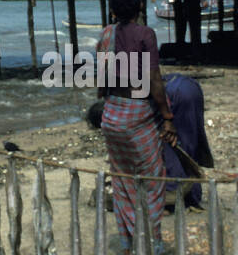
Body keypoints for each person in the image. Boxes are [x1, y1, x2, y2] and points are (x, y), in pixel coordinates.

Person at [96, 0, 176, 255]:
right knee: (151, 186)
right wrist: (167, 116)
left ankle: (129, 252)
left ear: (114, 10)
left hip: (111, 118)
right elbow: (154, 81)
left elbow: (101, 81)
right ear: (140, 8)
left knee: (123, 183)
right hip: (136, 117)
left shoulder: (106, 34)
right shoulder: (145, 35)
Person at [86, 73, 213, 211]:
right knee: (188, 142)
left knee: (170, 146)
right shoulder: (121, 99)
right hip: (189, 85)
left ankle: (175, 197)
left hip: (173, 95)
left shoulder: (121, 115)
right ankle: (191, 196)